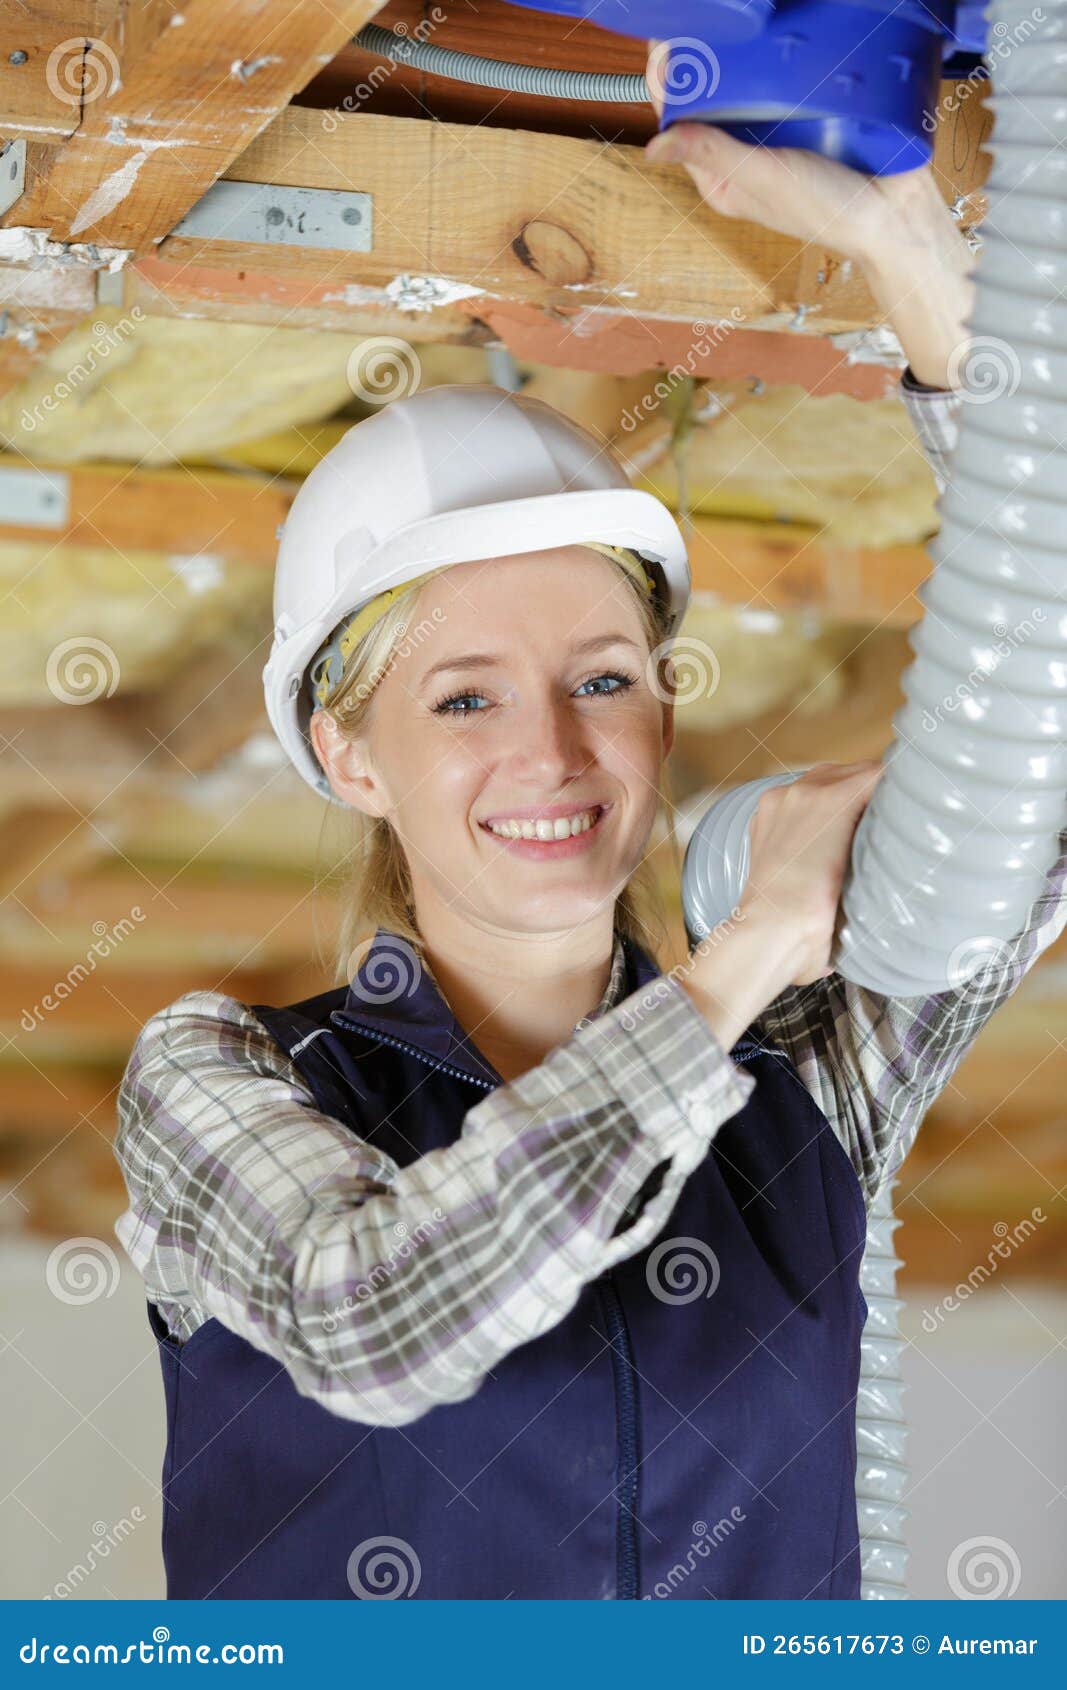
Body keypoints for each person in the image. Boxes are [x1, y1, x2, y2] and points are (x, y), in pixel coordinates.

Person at [112, 103, 1066, 1601]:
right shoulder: (224, 1076)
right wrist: (743, 960)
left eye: (603, 679)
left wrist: (910, 260)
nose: (553, 751)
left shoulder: (804, 1085)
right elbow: (376, 1326)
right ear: (352, 757)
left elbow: (1032, 770)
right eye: (465, 697)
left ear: (663, 712)